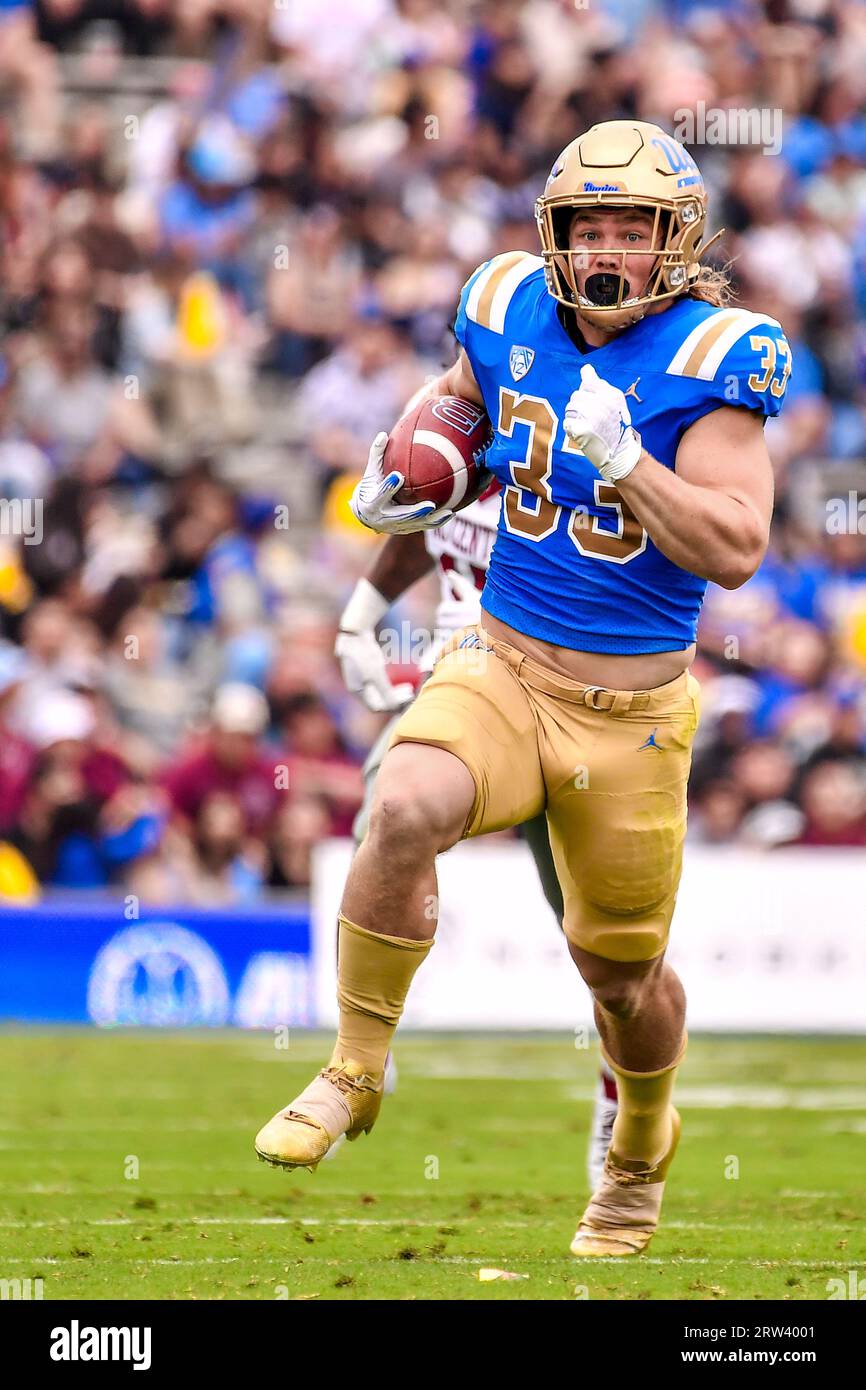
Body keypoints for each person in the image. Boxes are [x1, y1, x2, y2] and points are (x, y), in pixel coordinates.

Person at [255, 120, 791, 1258]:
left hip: (630, 715)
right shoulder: (503, 307)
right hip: (499, 661)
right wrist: (411, 476)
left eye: (628, 229)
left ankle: (639, 1149)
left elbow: (736, 546)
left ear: (673, 241)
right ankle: (355, 1066)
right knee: (400, 805)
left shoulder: (715, 357)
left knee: (620, 976)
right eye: (584, 225)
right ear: (549, 234)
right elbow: (456, 417)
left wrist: (629, 462)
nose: (604, 248)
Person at [334, 487, 618, 1190]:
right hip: (462, 688)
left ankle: (624, 1095)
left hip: (566, 704)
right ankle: (361, 1052)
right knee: (386, 817)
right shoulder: (452, 414)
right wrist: (361, 616)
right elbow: (421, 518)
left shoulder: (587, 424)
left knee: (605, 944)